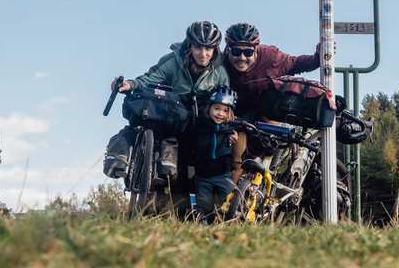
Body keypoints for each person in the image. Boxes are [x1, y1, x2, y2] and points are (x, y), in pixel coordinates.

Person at [104, 21, 228, 187]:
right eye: (198, 47)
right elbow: (150, 78)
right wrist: (130, 84)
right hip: (173, 111)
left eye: (208, 49)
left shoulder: (220, 72)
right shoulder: (173, 61)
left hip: (199, 118)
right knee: (142, 122)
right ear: (190, 46)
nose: (203, 54)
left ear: (215, 49)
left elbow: (226, 103)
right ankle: (121, 157)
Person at [223, 22, 320, 180]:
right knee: (237, 162)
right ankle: (238, 198)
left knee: (270, 143)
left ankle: (272, 174)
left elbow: (297, 63)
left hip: (268, 111)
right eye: (236, 51)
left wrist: (318, 57)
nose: (241, 58)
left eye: (248, 52)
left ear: (256, 49)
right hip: (240, 115)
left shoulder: (271, 57)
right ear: (228, 50)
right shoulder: (222, 63)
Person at [192, 86, 239, 222]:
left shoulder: (230, 129)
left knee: (230, 202)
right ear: (209, 108)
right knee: (203, 205)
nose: (220, 114)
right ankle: (201, 226)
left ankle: (224, 224)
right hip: (203, 176)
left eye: (225, 110)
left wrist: (234, 139)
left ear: (230, 114)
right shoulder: (201, 125)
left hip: (223, 175)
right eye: (216, 108)